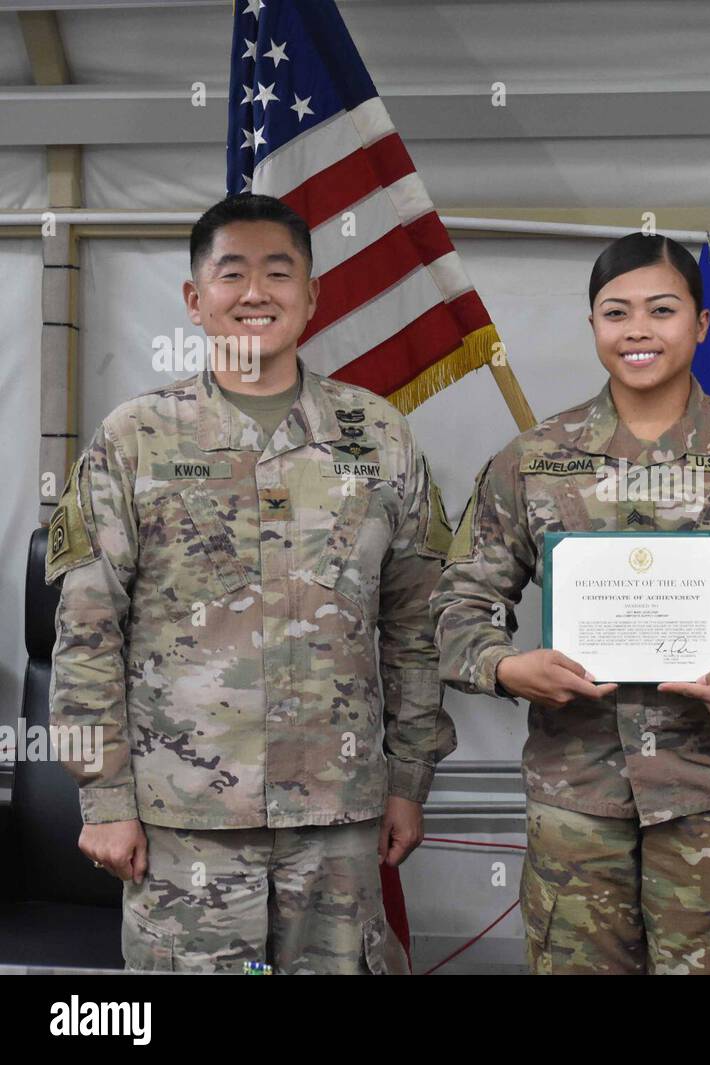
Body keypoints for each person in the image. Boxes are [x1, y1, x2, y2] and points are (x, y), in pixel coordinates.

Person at [45, 193, 456, 973]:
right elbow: (87, 630)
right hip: (184, 822)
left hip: (338, 819)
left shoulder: (378, 436)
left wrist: (410, 779)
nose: (256, 292)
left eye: (279, 271)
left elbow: (415, 627)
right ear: (196, 301)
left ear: (312, 296)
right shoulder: (134, 438)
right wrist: (101, 798)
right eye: (232, 273)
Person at [432, 233, 710, 974]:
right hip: (576, 799)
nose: (637, 330)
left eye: (661, 310)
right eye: (615, 311)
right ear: (592, 326)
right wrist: (506, 668)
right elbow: (459, 602)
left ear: (699, 323)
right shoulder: (532, 460)